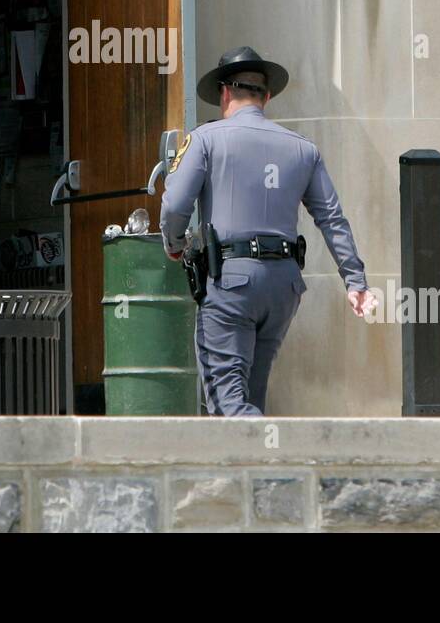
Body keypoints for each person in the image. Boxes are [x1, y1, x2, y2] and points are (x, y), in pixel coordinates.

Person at [159, 46, 372, 416]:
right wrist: (355, 280)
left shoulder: (206, 139)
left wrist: (174, 244)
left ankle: (289, 464)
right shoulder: (303, 149)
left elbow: (176, 204)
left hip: (230, 283)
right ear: (267, 97)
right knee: (251, 395)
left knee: (227, 404)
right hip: (284, 287)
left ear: (225, 94)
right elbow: (332, 218)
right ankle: (257, 470)